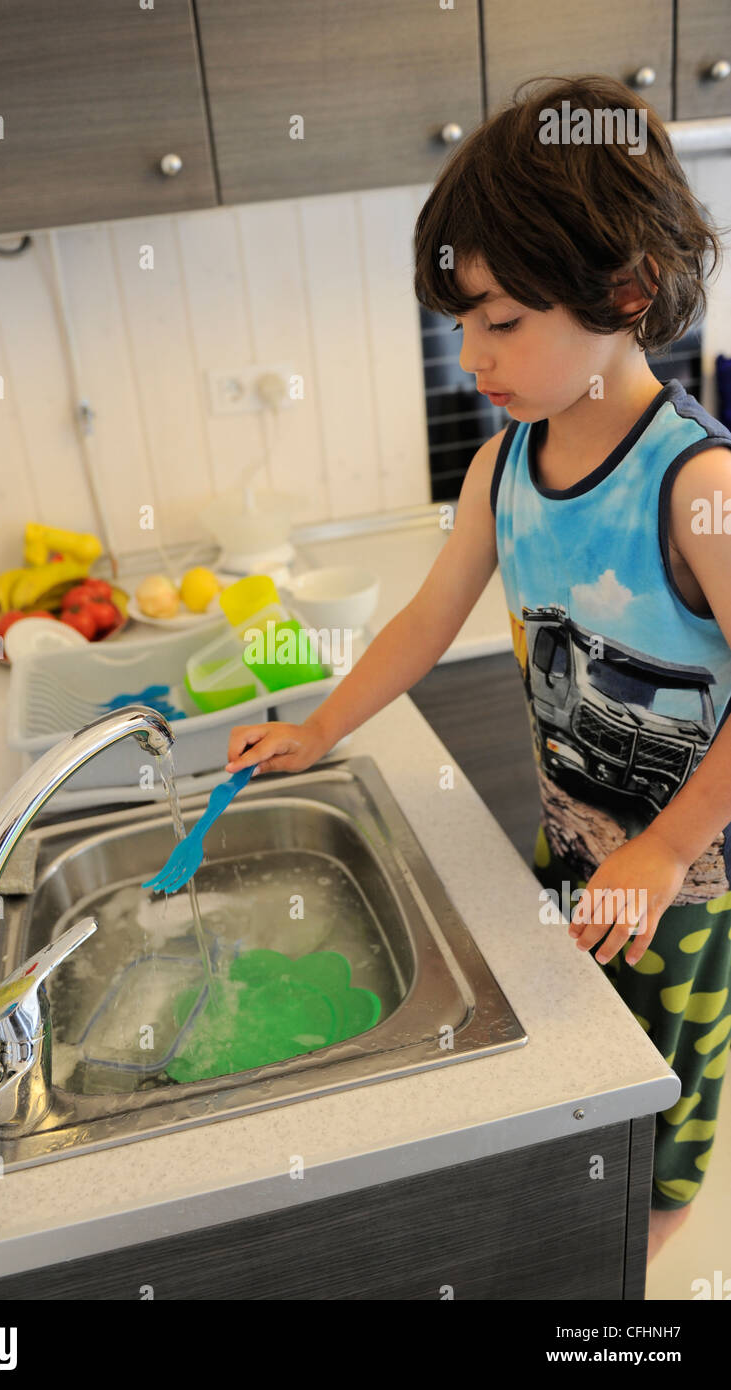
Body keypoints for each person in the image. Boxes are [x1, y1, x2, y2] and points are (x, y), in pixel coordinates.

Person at [224, 74, 731, 1266]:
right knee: (587, 1092)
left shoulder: (696, 491)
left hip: (694, 884)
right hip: (572, 843)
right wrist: (318, 725)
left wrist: (660, 849)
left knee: (669, 1125)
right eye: (458, 323)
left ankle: (627, 1282)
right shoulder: (502, 469)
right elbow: (420, 618)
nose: (469, 357)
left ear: (625, 292)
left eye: (499, 322)